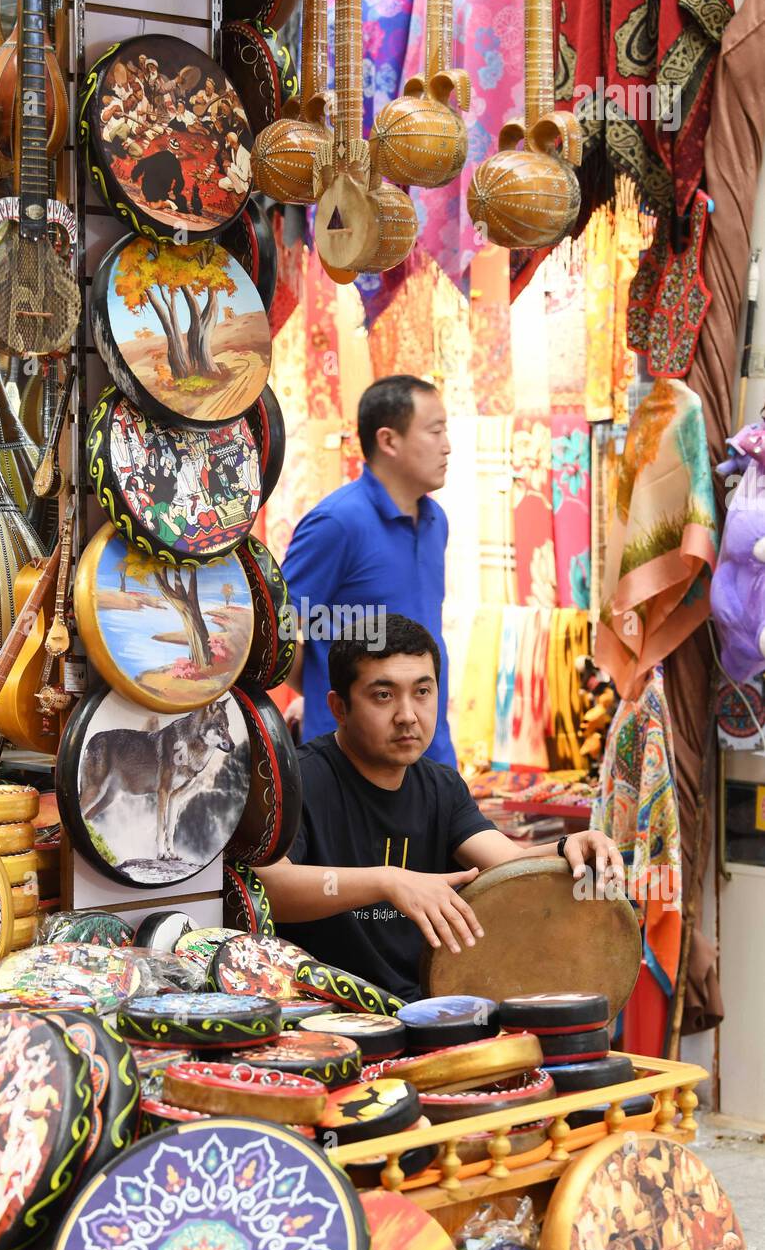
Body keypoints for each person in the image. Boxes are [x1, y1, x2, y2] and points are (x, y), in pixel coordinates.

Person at [256, 616, 624, 1002]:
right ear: (339, 707)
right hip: (325, 1012)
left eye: (422, 692)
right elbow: (267, 887)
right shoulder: (299, 781)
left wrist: (567, 847)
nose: (408, 715)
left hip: (426, 1009)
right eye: (383, 695)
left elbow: (509, 866)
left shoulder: (441, 786)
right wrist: (388, 882)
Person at [281, 375, 457, 766]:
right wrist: (325, 690)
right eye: (435, 431)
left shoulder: (436, 521)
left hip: (431, 750)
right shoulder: (337, 523)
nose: (447, 446)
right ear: (389, 440)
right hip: (348, 761)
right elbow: (275, 630)